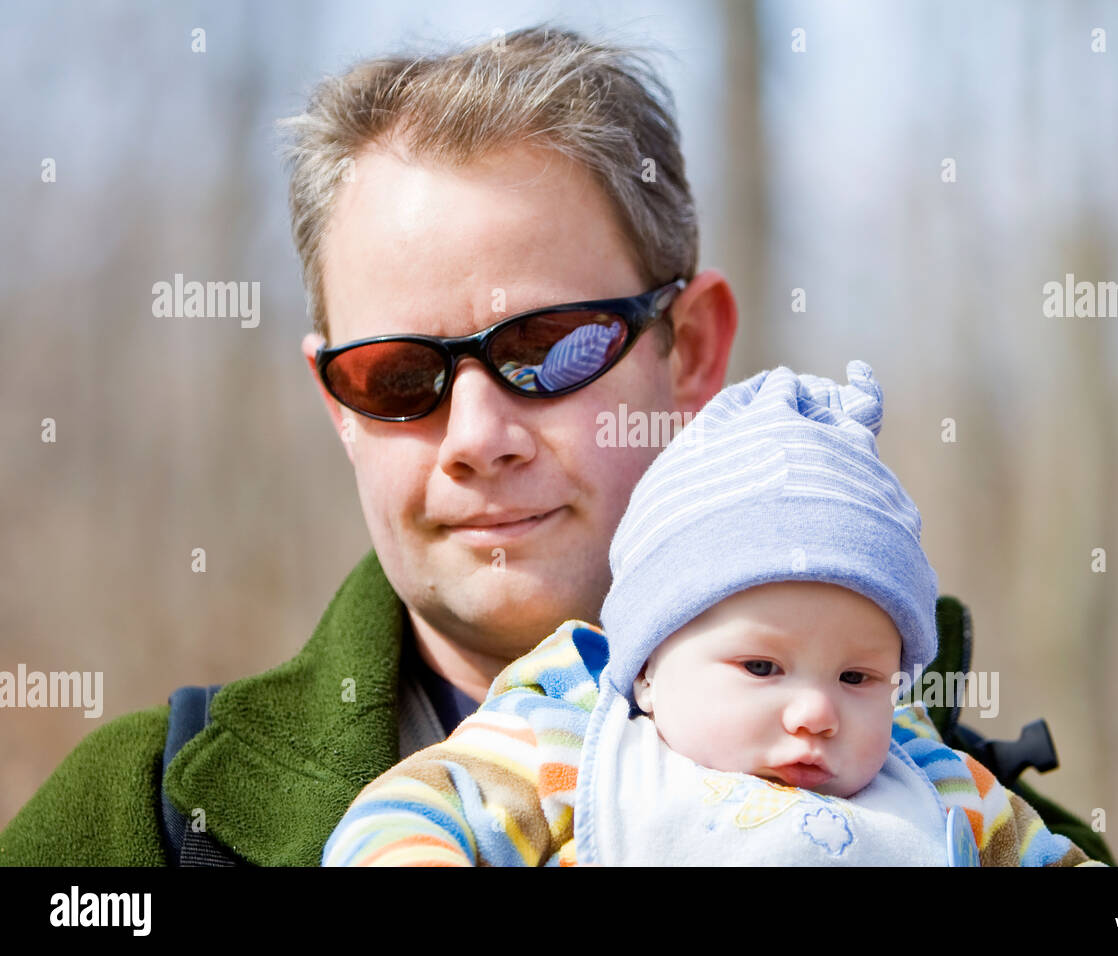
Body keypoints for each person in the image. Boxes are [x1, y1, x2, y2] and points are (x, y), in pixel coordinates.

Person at [0, 26, 738, 866]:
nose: (476, 439)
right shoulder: (143, 821)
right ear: (338, 407)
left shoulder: (916, 704)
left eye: (542, 349)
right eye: (395, 376)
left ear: (694, 347)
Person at [321, 362, 1101, 866]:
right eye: (761, 666)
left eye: (859, 676)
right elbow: (400, 814)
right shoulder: (570, 750)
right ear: (651, 665)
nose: (815, 711)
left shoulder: (939, 788)